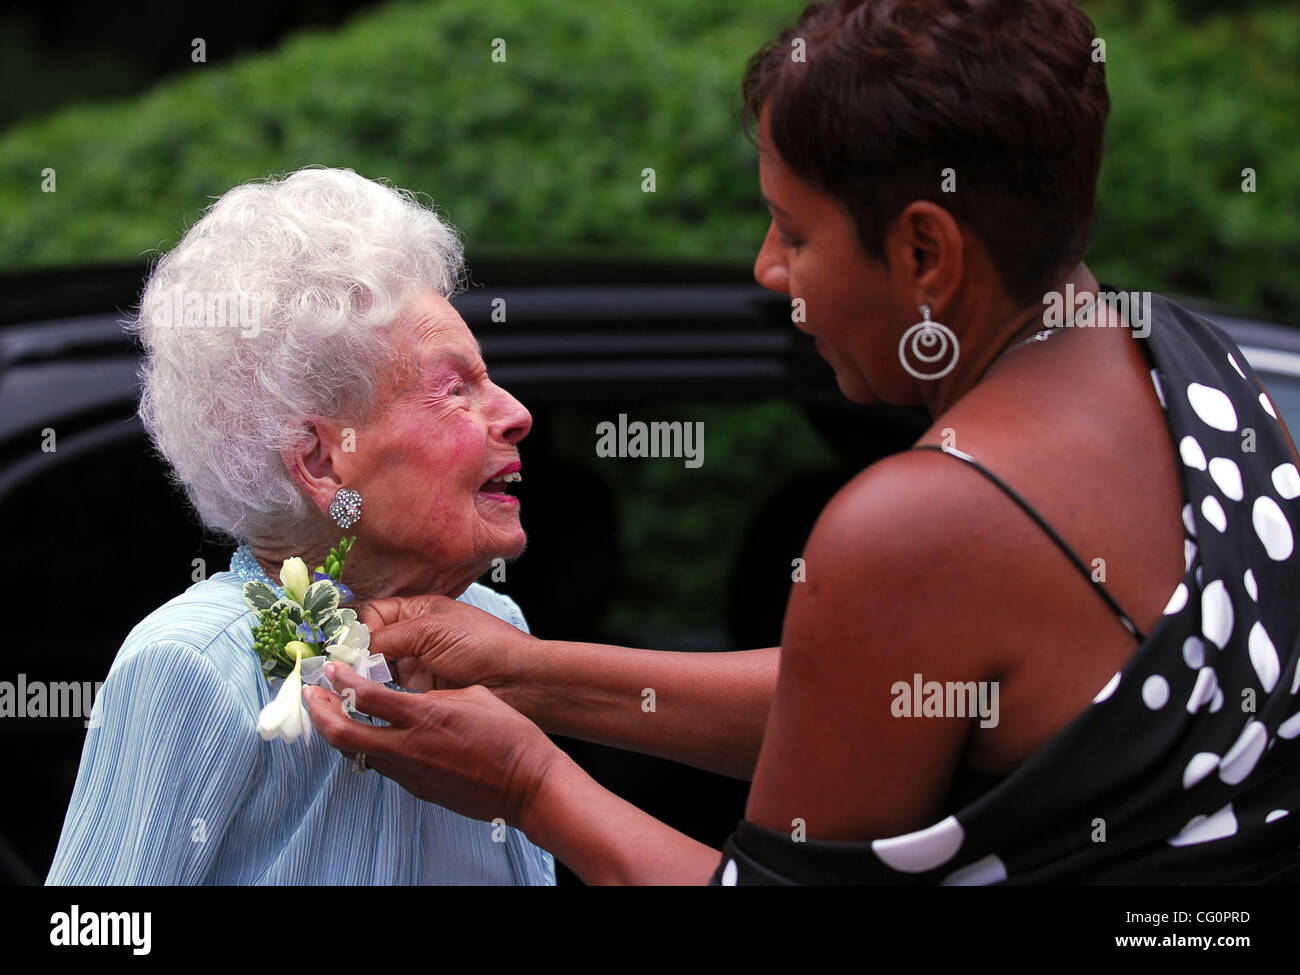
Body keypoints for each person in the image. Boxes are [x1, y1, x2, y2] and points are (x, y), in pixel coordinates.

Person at [306, 0, 1300, 884]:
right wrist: (524, 670)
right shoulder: (1196, 369)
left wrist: (525, 781)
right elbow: (894, 701)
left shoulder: (925, 522)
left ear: (925, 253)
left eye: (792, 230)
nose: (767, 269)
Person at [47, 167, 554, 885]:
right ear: (321, 460)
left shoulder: (494, 626)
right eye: (456, 390)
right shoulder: (195, 665)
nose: (515, 412)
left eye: (488, 378)